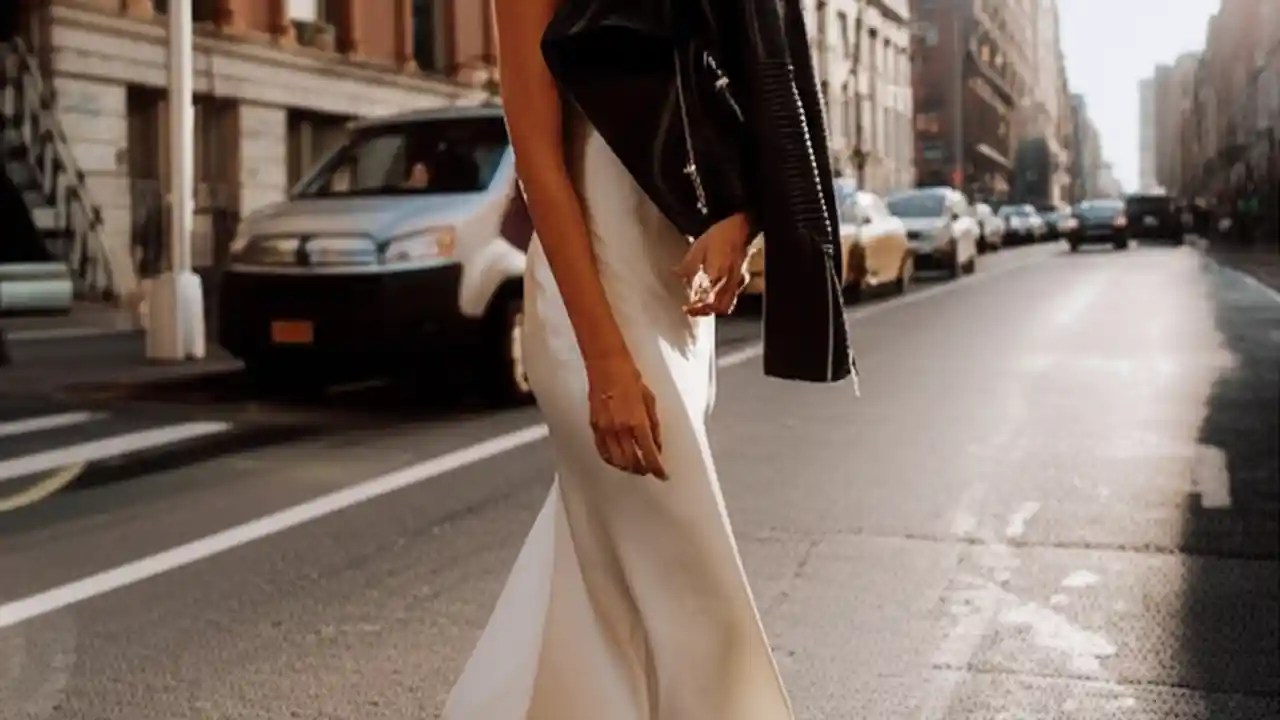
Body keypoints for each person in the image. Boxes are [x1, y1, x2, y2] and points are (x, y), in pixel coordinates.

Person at [443, 1, 852, 719]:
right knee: (696, 592)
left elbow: (735, 94)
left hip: (675, 303)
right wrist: (605, 362)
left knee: (606, 593)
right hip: (594, 306)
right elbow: (540, 164)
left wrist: (741, 222)